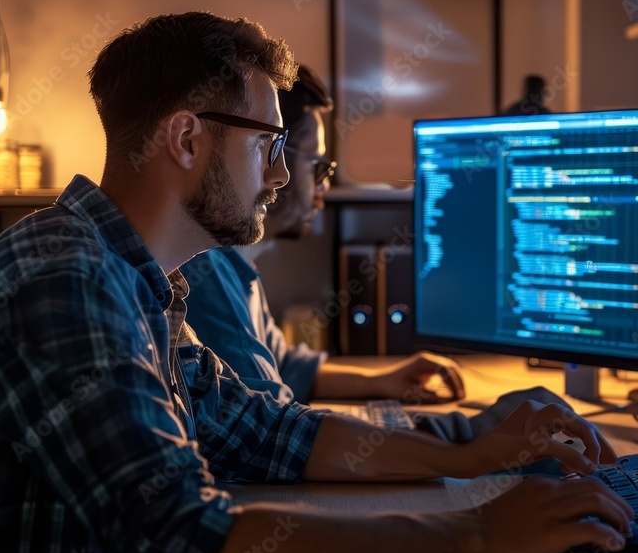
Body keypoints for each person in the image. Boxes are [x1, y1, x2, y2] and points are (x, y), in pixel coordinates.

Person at [0, 12, 632, 553]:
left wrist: (472, 454)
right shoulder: (65, 279)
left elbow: (266, 432)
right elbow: (189, 551)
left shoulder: (139, 281)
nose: (280, 175)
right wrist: (477, 534)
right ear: (186, 139)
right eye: (268, 145)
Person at [181, 64, 461, 406]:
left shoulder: (236, 266)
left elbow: (284, 366)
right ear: (269, 155)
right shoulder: (207, 270)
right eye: (316, 166)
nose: (323, 186)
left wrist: (381, 380)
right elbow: (272, 417)